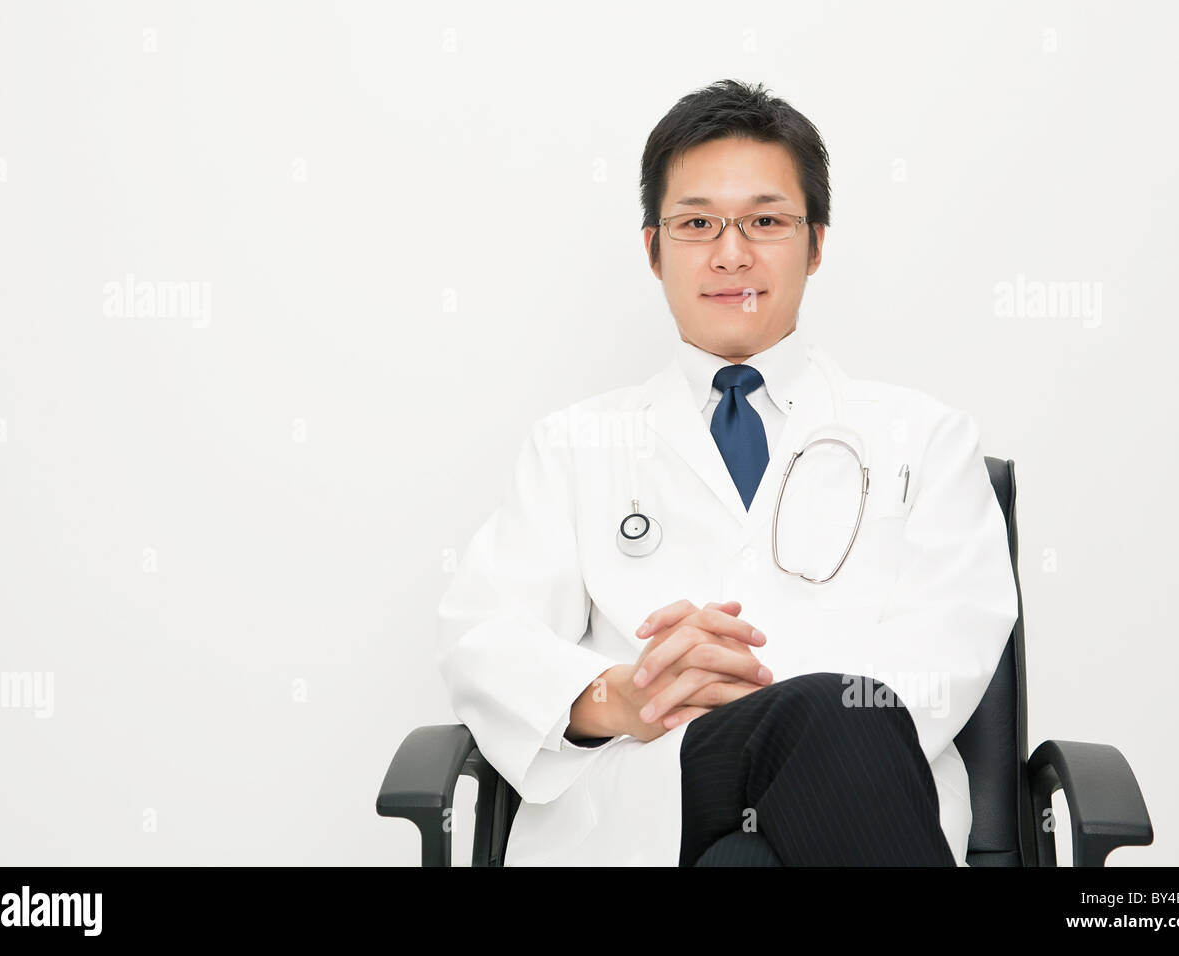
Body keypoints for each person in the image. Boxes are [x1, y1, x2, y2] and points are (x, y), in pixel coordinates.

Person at [436, 79, 1019, 866]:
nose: (731, 251)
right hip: (647, 794)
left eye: (767, 221)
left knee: (816, 753)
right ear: (654, 249)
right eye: (697, 222)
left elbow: (952, 646)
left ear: (815, 244)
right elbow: (484, 637)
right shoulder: (574, 445)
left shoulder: (927, 438)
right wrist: (622, 694)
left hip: (853, 800)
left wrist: (794, 714)